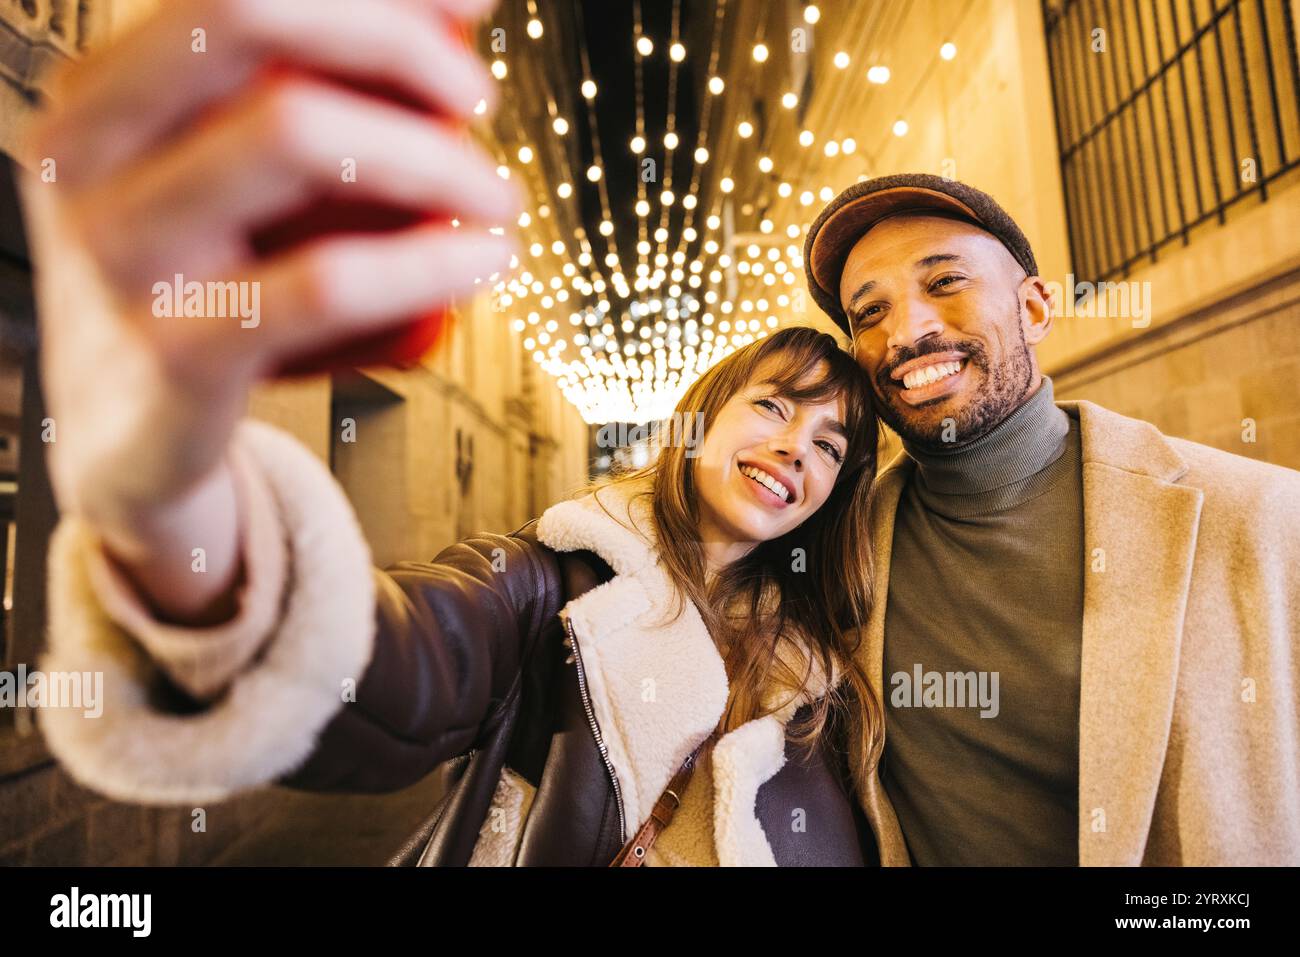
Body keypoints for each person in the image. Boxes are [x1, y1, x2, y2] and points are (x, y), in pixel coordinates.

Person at [802, 172, 1300, 866]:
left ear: (1035, 308)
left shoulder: (1263, 519)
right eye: (869, 313)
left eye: (944, 282)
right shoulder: (840, 547)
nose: (907, 331)